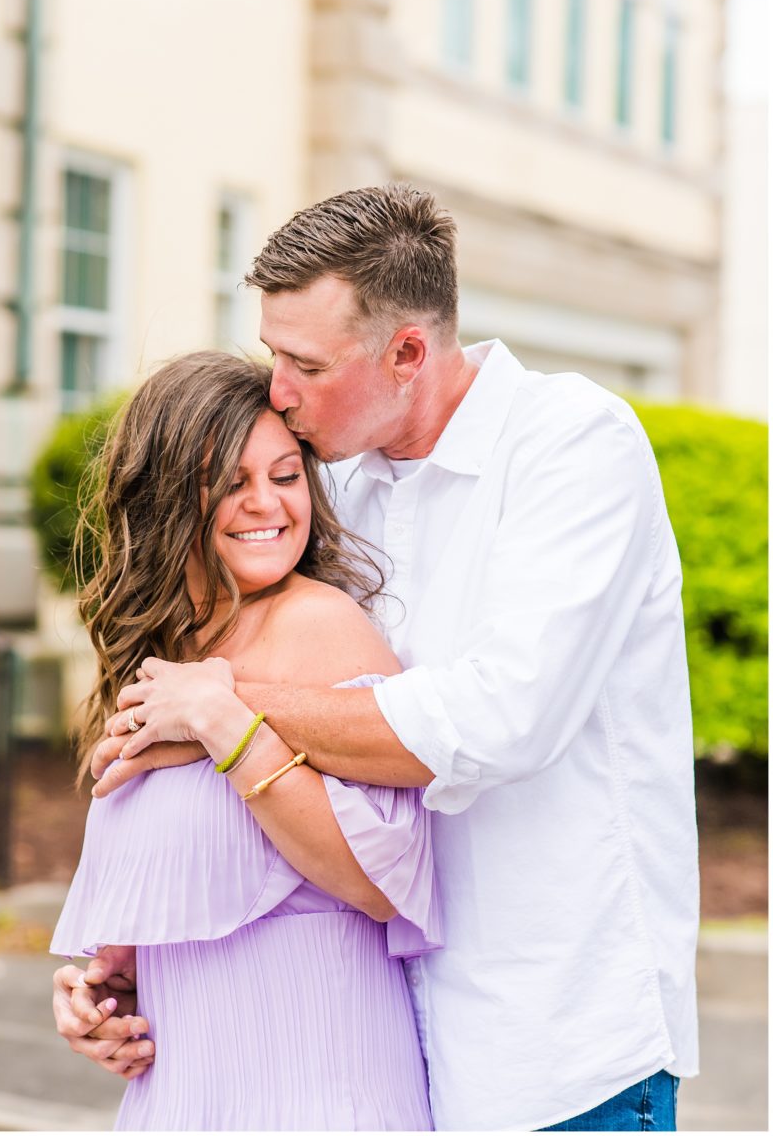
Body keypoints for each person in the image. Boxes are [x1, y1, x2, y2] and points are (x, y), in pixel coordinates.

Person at [60, 184, 698, 1131]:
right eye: (275, 351)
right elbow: (293, 788)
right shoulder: (333, 483)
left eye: (303, 362)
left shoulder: (572, 445)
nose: (277, 387)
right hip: (390, 1042)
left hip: (558, 1054)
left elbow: (498, 721)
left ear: (407, 354)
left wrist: (221, 708)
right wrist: (133, 957)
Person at [51, 350, 440, 1129]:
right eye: (228, 480)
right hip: (184, 1099)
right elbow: (194, 903)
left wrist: (225, 722)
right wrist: (105, 991)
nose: (266, 502)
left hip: (316, 1096)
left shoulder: (319, 625)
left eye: (285, 474)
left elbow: (379, 880)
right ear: (166, 496)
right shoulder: (168, 654)